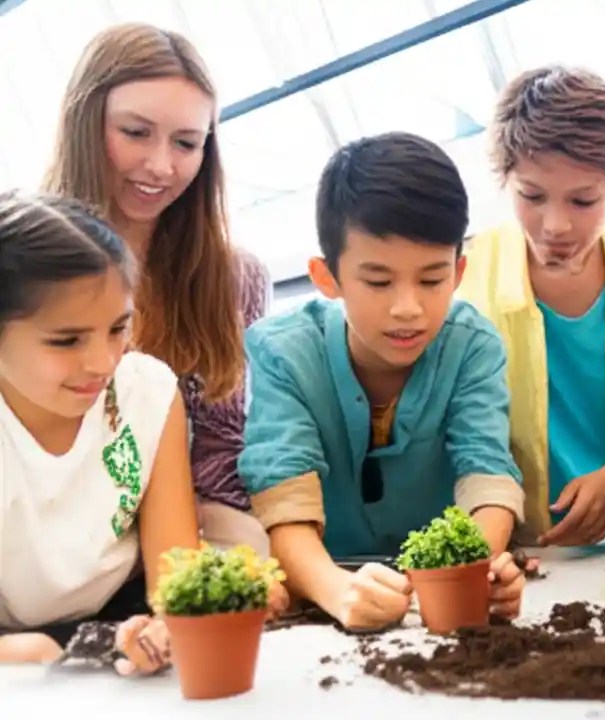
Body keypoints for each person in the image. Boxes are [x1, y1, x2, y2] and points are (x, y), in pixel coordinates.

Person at [240, 132, 526, 631]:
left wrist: (470, 569)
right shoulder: (281, 349)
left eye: (432, 279)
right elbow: (283, 502)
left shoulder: (473, 344)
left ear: (458, 272)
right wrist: (337, 591)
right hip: (324, 591)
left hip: (436, 605)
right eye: (377, 281)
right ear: (327, 277)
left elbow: (488, 473)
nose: (408, 308)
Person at [41, 23, 270, 555]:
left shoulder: (234, 279)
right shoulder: (23, 258)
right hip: (44, 522)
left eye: (187, 143)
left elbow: (219, 447)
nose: (161, 166)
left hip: (180, 521)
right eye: (136, 133)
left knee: (250, 546)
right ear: (85, 122)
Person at [458, 65, 605, 548]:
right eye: (532, 196)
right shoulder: (469, 271)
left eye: (583, 200)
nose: (555, 225)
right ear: (505, 181)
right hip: (520, 546)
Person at [0, 192, 199, 673]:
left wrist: (166, 629)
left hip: (118, 620)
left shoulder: (148, 392)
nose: (103, 362)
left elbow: (178, 580)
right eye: (66, 340)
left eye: (118, 328)